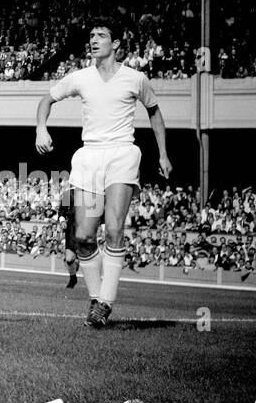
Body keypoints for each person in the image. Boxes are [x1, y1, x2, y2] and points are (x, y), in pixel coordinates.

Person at [36, 19, 171, 328]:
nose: (94, 40)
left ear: (116, 43)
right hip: (89, 157)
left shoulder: (136, 79)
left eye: (101, 35)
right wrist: (41, 128)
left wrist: (163, 153)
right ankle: (96, 299)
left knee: (113, 230)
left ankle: (105, 303)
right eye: (91, 36)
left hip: (122, 153)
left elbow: (154, 111)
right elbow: (47, 99)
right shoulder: (80, 77)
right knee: (83, 237)